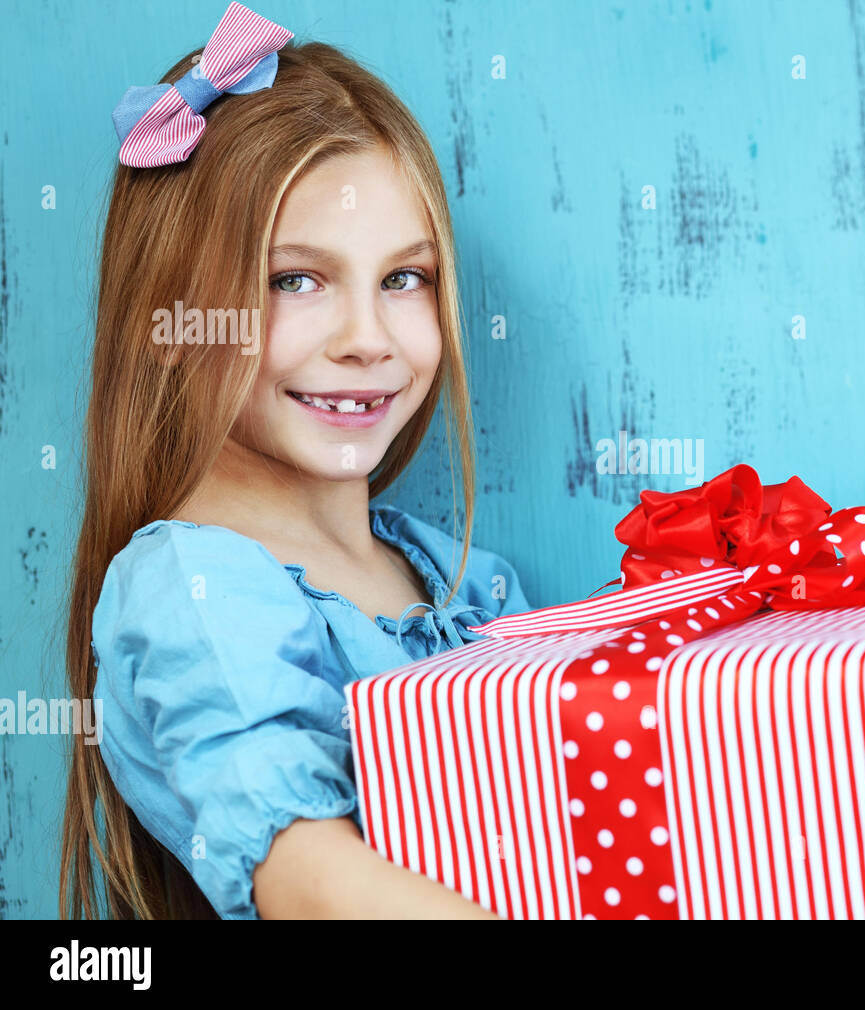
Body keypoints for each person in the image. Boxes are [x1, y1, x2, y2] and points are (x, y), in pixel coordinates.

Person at [59, 3, 529, 920]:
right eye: (295, 281)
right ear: (170, 325)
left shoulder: (468, 579)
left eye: (404, 279)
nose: (367, 339)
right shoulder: (187, 590)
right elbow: (315, 887)